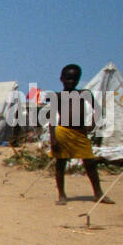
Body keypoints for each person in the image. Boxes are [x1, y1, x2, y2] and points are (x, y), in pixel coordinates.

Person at [49, 63, 114, 205]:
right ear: (61, 79)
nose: (71, 82)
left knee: (90, 163)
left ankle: (98, 193)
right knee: (61, 164)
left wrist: (92, 124)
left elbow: (98, 110)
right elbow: (52, 119)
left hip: (80, 134)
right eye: (68, 79)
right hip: (63, 132)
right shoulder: (57, 97)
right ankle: (61, 195)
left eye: (74, 79)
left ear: (78, 80)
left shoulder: (84, 94)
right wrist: (53, 138)